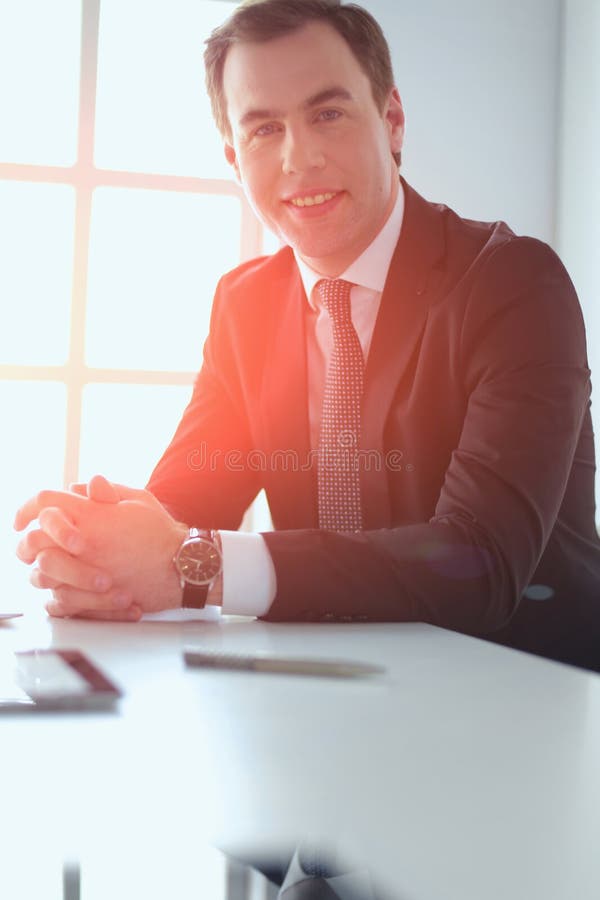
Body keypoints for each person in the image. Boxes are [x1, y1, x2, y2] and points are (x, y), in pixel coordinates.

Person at [14, 0, 600, 672]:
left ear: (392, 119)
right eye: (264, 130)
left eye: (328, 113)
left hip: (533, 693)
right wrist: (98, 548)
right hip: (327, 689)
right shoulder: (246, 304)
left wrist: (186, 563)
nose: (301, 157)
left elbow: (481, 562)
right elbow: (183, 509)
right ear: (235, 158)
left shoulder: (514, 285)